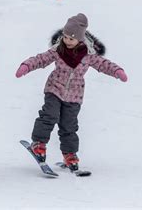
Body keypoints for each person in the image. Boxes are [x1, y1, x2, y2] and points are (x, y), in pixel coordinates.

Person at [15, 13, 127, 170]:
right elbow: (41, 59)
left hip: (74, 96)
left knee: (69, 126)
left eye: (71, 38)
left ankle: (70, 154)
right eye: (65, 37)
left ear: (80, 39)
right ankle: (38, 144)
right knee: (49, 115)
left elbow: (104, 64)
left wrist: (117, 71)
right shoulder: (57, 50)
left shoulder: (88, 55)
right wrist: (26, 66)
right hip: (54, 89)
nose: (67, 41)